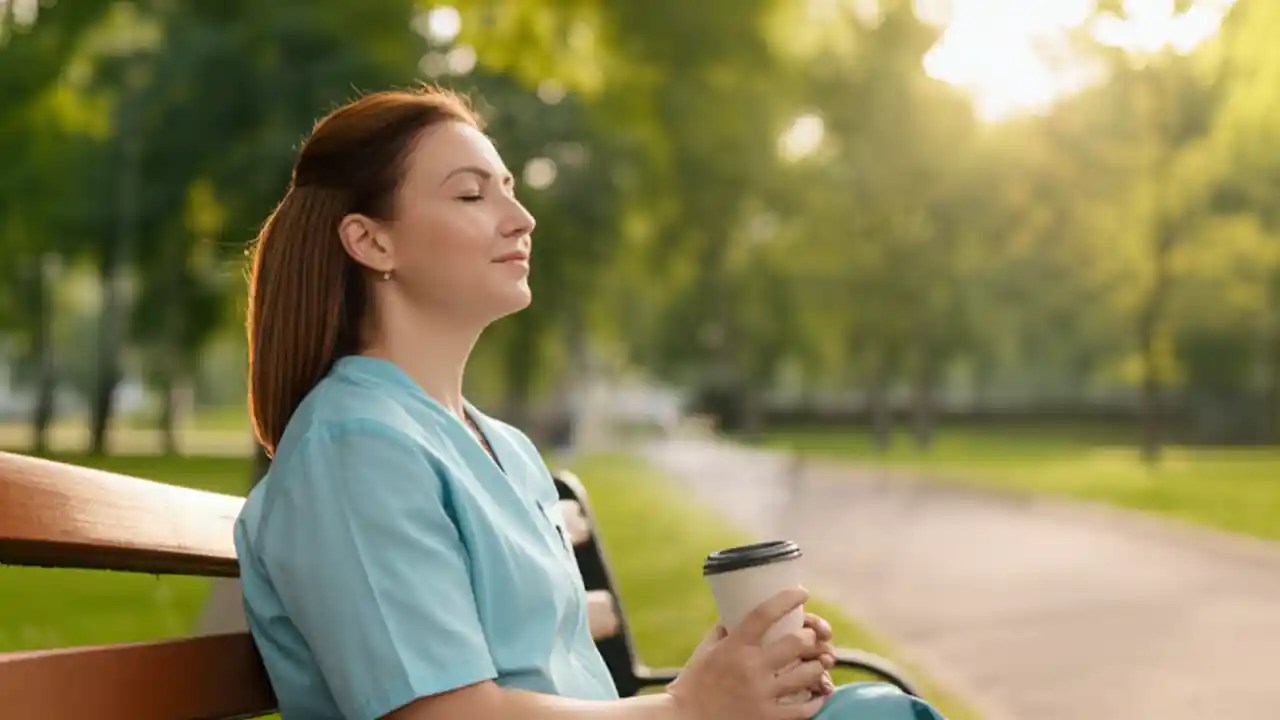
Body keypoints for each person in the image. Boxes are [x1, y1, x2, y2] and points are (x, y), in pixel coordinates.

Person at [233, 86, 945, 720]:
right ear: (370, 239)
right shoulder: (352, 446)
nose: (521, 218)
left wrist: (740, 679)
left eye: (510, 188)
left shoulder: (500, 445)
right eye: (472, 195)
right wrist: (691, 708)